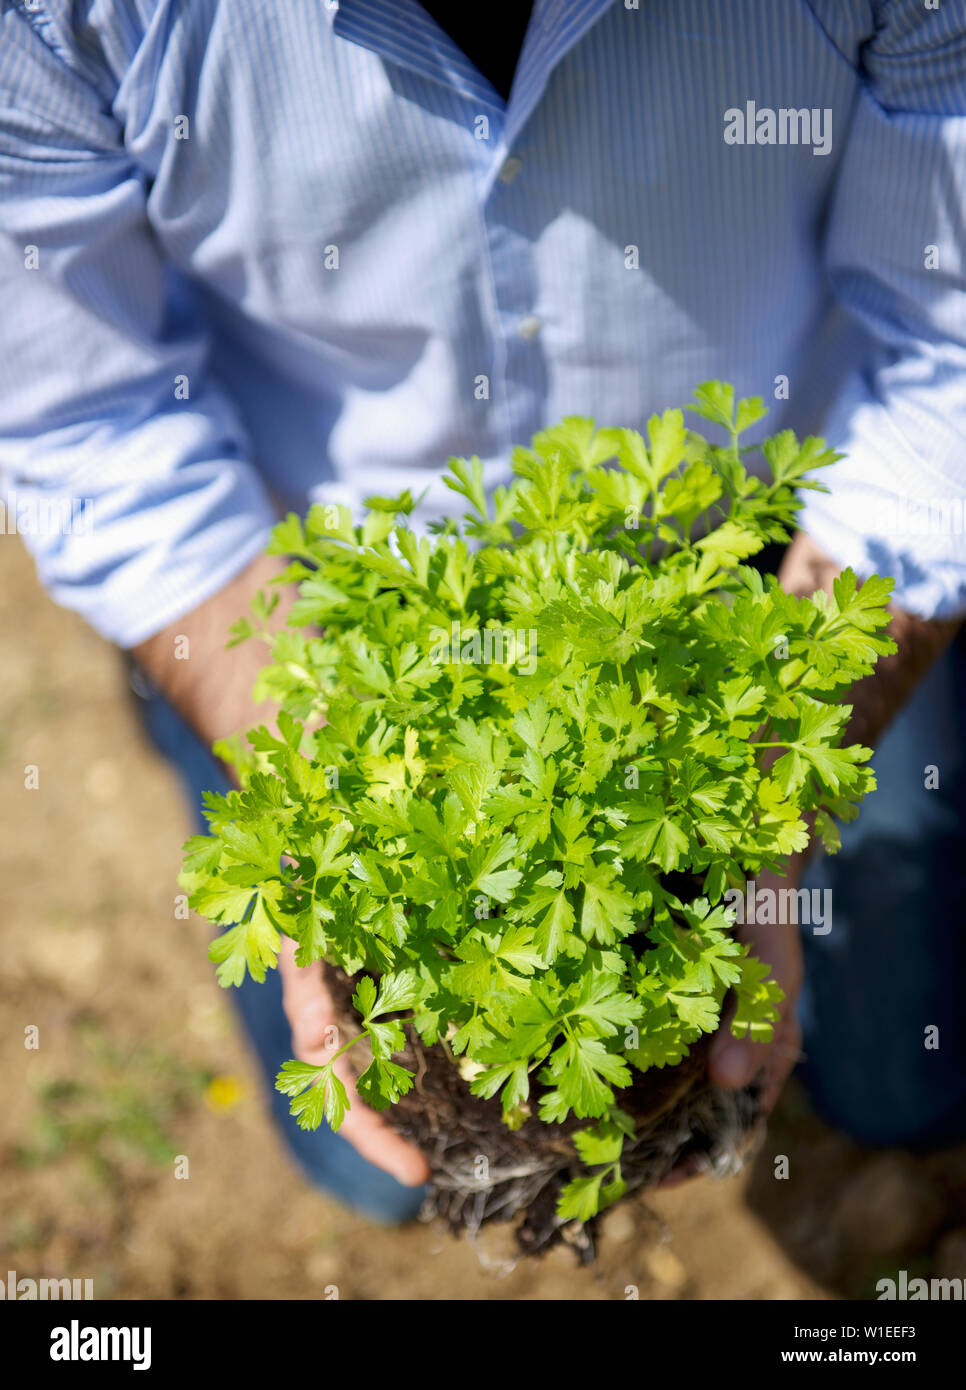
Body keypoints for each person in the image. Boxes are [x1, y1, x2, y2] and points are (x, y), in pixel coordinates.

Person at [1, 0, 964, 1222]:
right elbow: (90, 419)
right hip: (315, 593)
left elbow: (951, 343)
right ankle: (193, 719)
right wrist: (318, 789)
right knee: (379, 1162)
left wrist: (775, 795)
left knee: (903, 1077)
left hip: (766, 550)